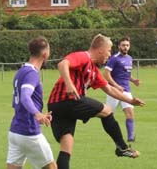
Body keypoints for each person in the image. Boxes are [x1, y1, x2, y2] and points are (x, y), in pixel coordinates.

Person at [47, 34, 145, 169]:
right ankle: (122, 148)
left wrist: (130, 100)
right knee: (107, 110)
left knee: (67, 143)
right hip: (67, 100)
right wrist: (69, 85)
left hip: (56, 105)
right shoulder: (83, 56)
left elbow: (110, 89)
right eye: (109, 50)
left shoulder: (94, 71)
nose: (109, 55)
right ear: (100, 50)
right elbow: (62, 64)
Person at [7, 37, 57, 169]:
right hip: (29, 132)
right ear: (45, 54)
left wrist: (40, 113)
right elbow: (25, 97)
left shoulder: (21, 71)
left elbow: (17, 102)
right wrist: (37, 114)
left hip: (15, 131)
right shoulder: (32, 73)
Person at [102, 37, 142, 142]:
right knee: (108, 114)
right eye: (123, 45)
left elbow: (126, 74)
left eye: (127, 45)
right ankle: (112, 134)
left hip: (126, 91)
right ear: (119, 46)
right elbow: (106, 74)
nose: (125, 47)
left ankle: (130, 137)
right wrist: (115, 85)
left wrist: (133, 80)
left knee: (130, 112)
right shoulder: (114, 58)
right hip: (113, 91)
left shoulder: (129, 58)